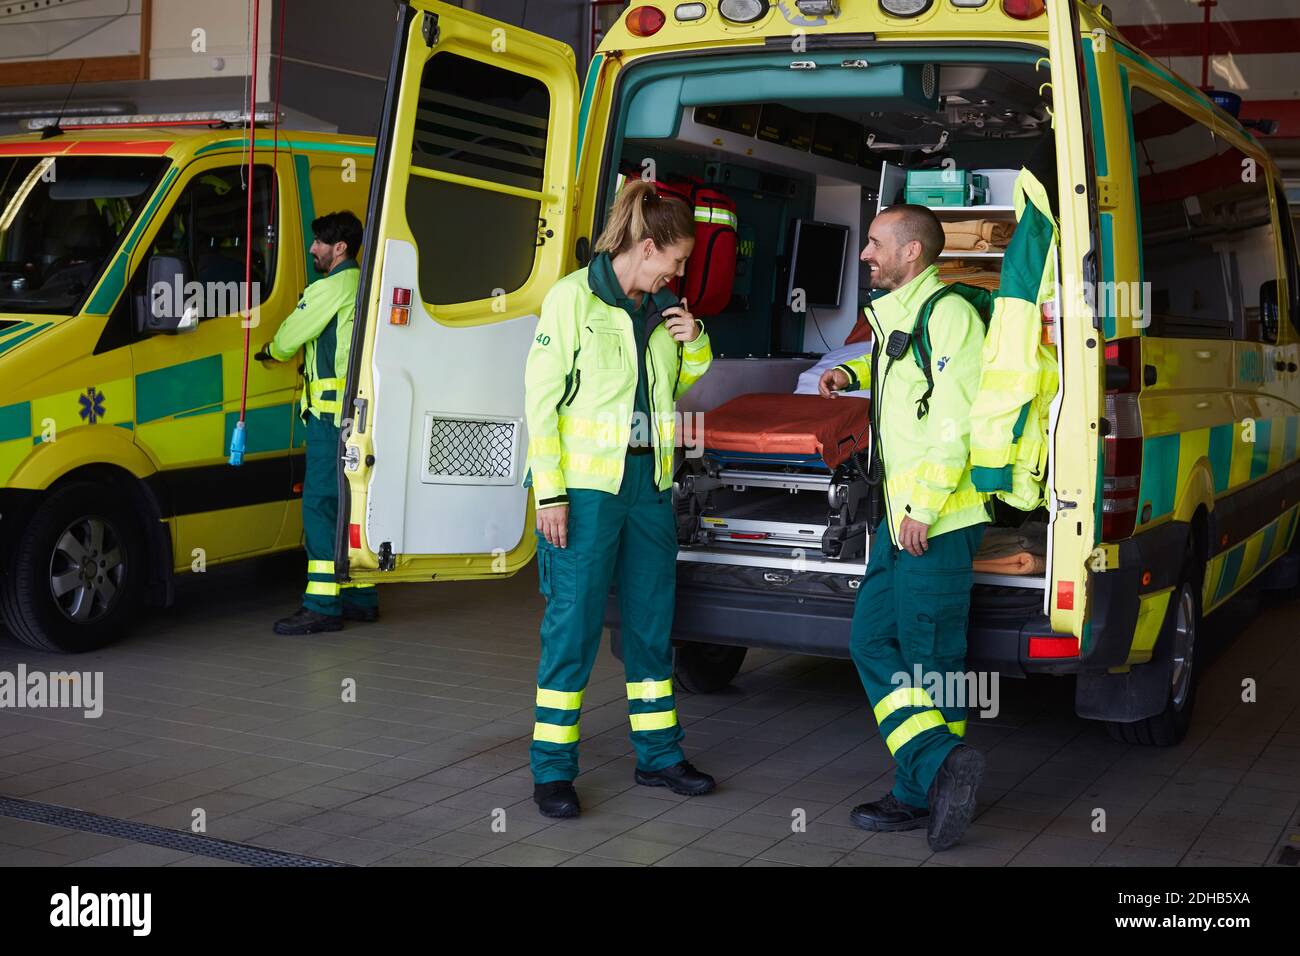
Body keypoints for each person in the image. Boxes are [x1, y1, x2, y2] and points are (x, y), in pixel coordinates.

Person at [522, 179, 716, 819]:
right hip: (586, 489)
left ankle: (659, 756)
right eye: (679, 258)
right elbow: (540, 405)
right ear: (651, 245)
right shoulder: (572, 300)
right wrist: (549, 492)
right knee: (572, 626)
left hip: (649, 486)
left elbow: (678, 386)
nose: (682, 271)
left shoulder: (662, 311)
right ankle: (552, 771)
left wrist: (696, 340)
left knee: (652, 623)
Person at [819, 203, 988, 852]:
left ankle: (924, 790)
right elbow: (897, 370)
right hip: (900, 517)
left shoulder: (948, 315)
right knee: (870, 641)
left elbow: (956, 419)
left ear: (911, 253)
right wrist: (848, 371)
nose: (865, 254)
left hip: (935, 517)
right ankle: (940, 762)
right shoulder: (904, 316)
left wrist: (924, 503)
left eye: (875, 244)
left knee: (933, 662)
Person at [260, 211, 379, 635]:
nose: (313, 249)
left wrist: (271, 351)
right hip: (360, 417)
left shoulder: (332, 287)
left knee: (321, 507)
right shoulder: (365, 283)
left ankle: (322, 605)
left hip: (330, 421)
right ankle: (361, 596)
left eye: (319, 243)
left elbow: (292, 335)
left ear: (340, 248)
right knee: (354, 506)